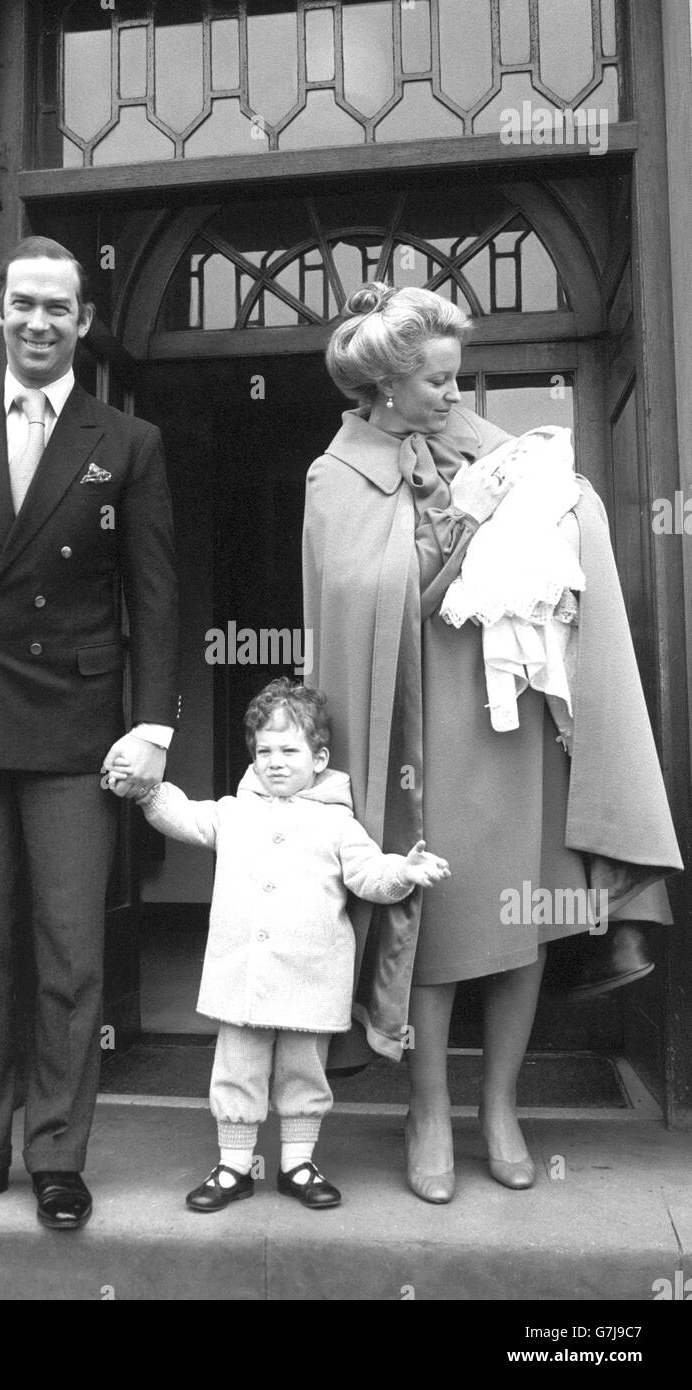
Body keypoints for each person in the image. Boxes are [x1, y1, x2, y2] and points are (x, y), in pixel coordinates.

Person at [302, 282, 682, 1204]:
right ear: (385, 385)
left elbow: (568, 525)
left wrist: (562, 499)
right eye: (436, 380)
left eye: (456, 375)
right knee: (435, 927)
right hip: (418, 731)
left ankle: (501, 1107)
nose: (453, 393)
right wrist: (464, 519)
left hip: (515, 720)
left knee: (523, 916)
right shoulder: (334, 476)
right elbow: (361, 600)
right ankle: (428, 1109)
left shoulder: (487, 445)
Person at [0, 236, 179, 1230]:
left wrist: (153, 725)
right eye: (24, 304)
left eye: (59, 307)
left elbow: (154, 592)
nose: (39, 322)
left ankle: (57, 1155)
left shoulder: (126, 442)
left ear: (83, 321)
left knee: (68, 953)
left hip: (74, 731)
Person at [117, 678, 448, 1211]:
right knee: (237, 1070)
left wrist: (403, 872)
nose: (275, 762)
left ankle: (297, 1165)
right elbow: (185, 816)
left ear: (319, 759)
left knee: (303, 1073)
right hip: (244, 979)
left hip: (310, 979)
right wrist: (147, 790)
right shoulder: (234, 812)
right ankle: (233, 1168)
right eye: (264, 751)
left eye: (289, 751)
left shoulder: (337, 823)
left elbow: (368, 874)